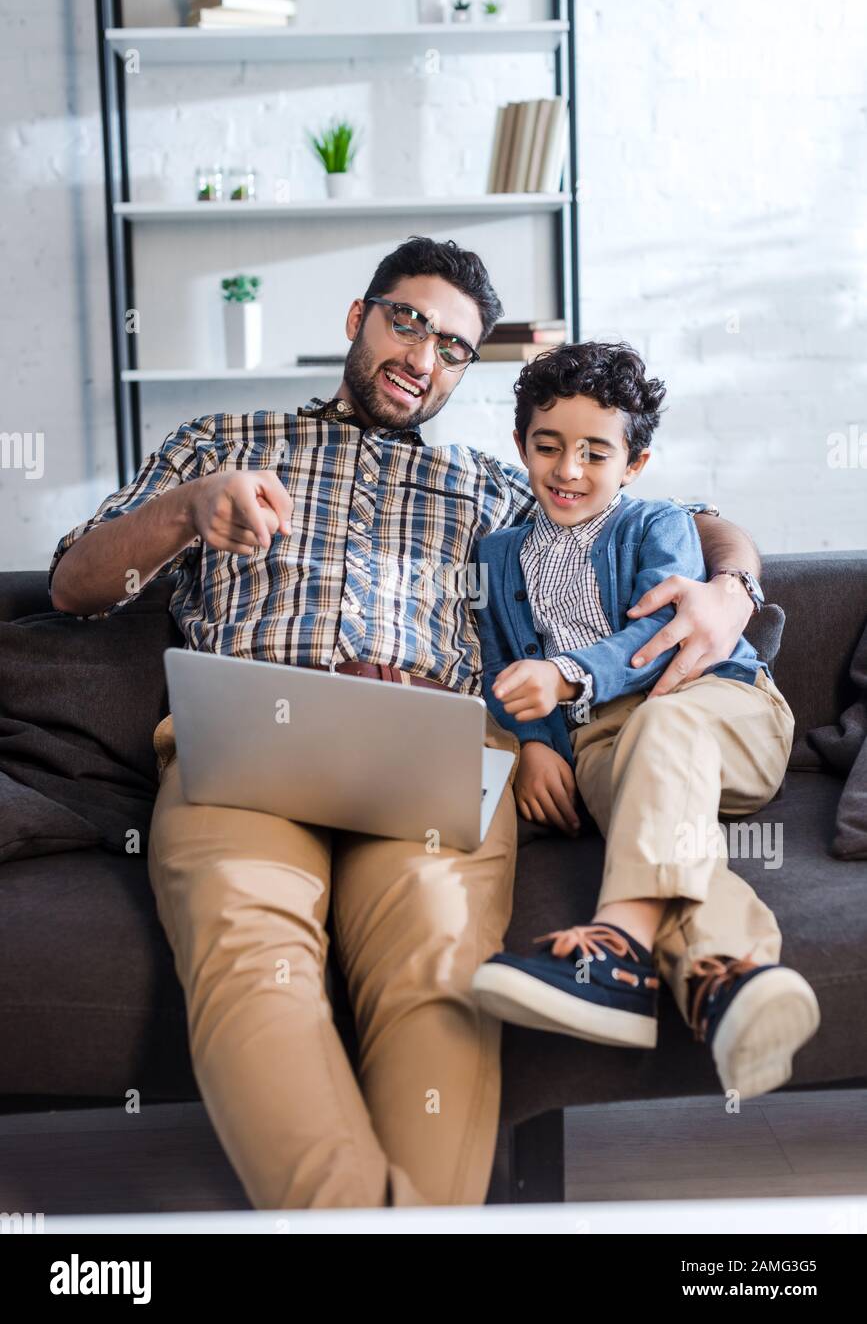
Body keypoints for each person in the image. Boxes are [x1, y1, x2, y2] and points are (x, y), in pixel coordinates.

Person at [48, 238, 766, 1207]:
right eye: (408, 320)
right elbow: (76, 584)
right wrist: (188, 510)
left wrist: (730, 590)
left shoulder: (494, 485)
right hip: (252, 737)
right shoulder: (222, 442)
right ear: (359, 316)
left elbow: (681, 514)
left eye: (455, 347)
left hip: (433, 746)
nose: (424, 356)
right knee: (254, 964)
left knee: (443, 977)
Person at [470, 340, 821, 1100]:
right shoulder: (497, 554)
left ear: (633, 463)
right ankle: (730, 983)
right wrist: (533, 744)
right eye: (548, 446)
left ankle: (617, 954)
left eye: (595, 453)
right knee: (654, 831)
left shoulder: (657, 523)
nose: (567, 470)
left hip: (717, 710)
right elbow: (503, 664)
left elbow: (655, 638)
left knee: (661, 728)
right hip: (602, 742)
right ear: (519, 445)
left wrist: (565, 676)